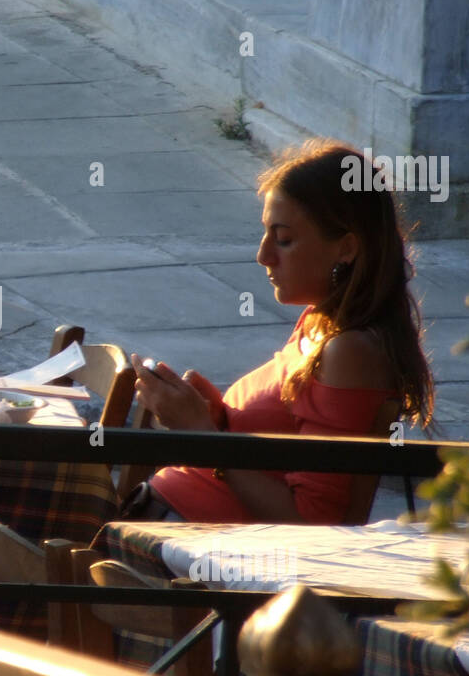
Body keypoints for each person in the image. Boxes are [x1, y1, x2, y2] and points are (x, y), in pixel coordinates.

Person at [126, 139, 434, 526]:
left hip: (184, 553)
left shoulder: (350, 352)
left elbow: (313, 521)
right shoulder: (319, 321)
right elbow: (275, 453)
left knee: (33, 467)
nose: (263, 255)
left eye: (284, 239)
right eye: (266, 234)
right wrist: (220, 419)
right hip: (166, 517)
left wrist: (203, 434)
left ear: (347, 248)